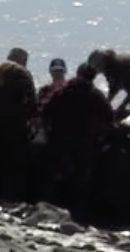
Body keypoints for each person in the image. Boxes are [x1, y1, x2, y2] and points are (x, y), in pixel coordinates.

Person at [40, 62, 116, 213]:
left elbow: (46, 112)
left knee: (56, 173)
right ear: (93, 78)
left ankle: (51, 205)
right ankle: (77, 210)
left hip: (59, 139)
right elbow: (109, 118)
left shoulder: (63, 92)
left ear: (78, 74)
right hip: (84, 141)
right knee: (81, 177)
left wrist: (48, 131)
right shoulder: (96, 96)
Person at [0, 46, 38, 201]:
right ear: (23, 61)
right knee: (12, 165)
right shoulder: (23, 75)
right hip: (14, 125)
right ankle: (10, 199)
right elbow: (32, 102)